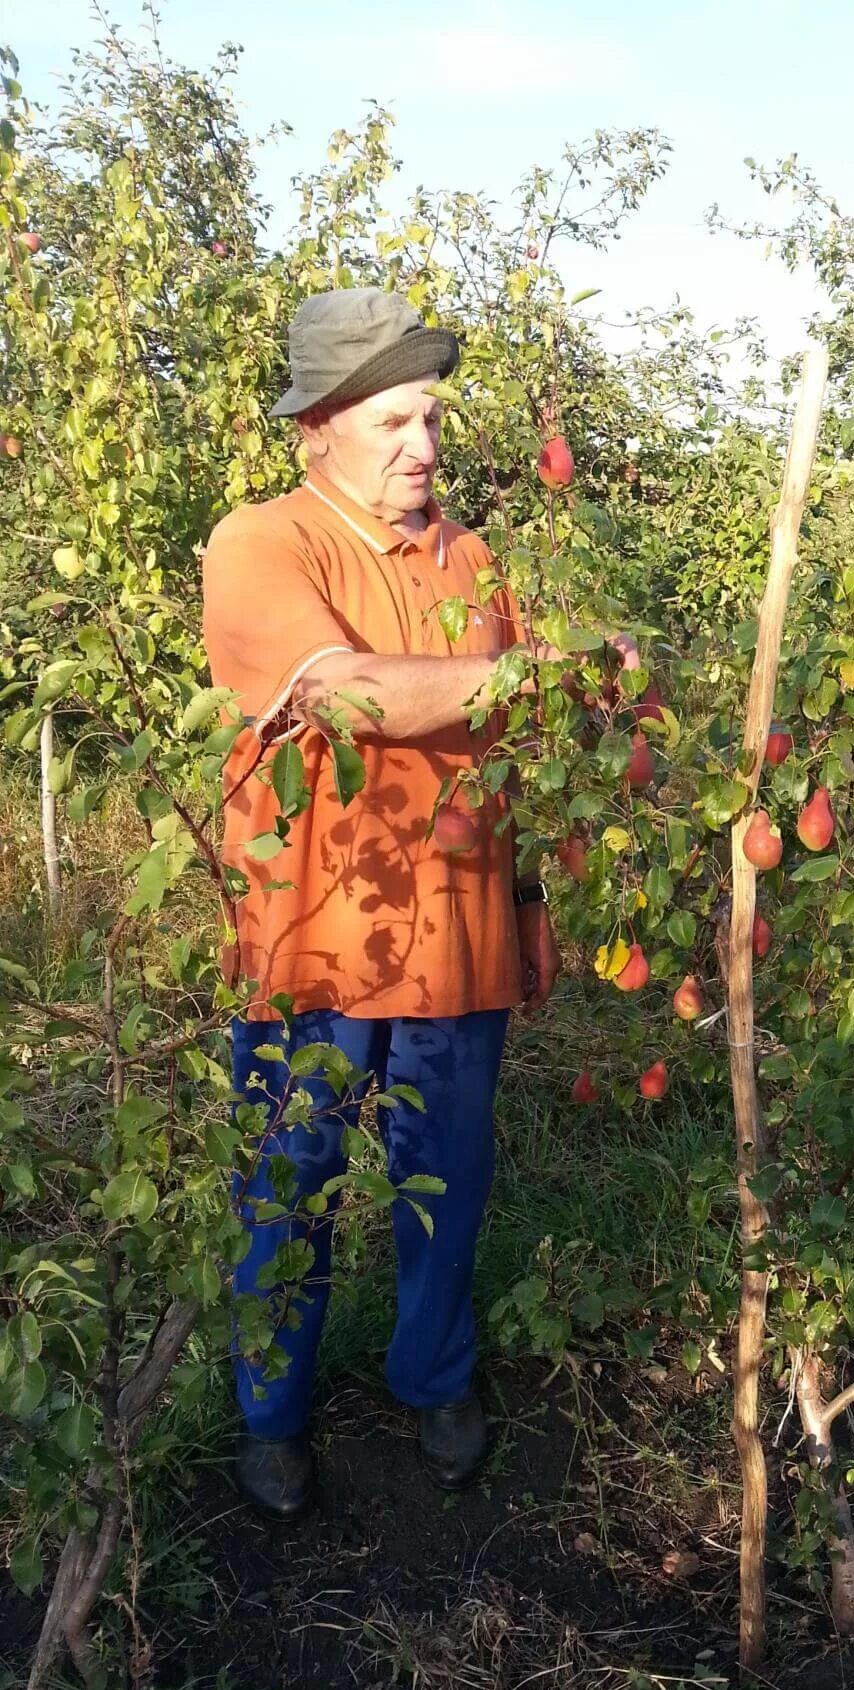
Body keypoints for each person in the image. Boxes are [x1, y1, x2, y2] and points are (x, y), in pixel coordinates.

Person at [201, 288, 561, 1520]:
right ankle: (270, 1411)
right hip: (315, 941)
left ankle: (433, 1374)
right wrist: (529, 674)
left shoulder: (473, 560)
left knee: (448, 1175)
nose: (426, 447)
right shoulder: (262, 544)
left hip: (459, 937)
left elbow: (515, 756)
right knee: (291, 1173)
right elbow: (345, 695)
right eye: (397, 421)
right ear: (322, 428)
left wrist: (527, 895)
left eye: (433, 419)